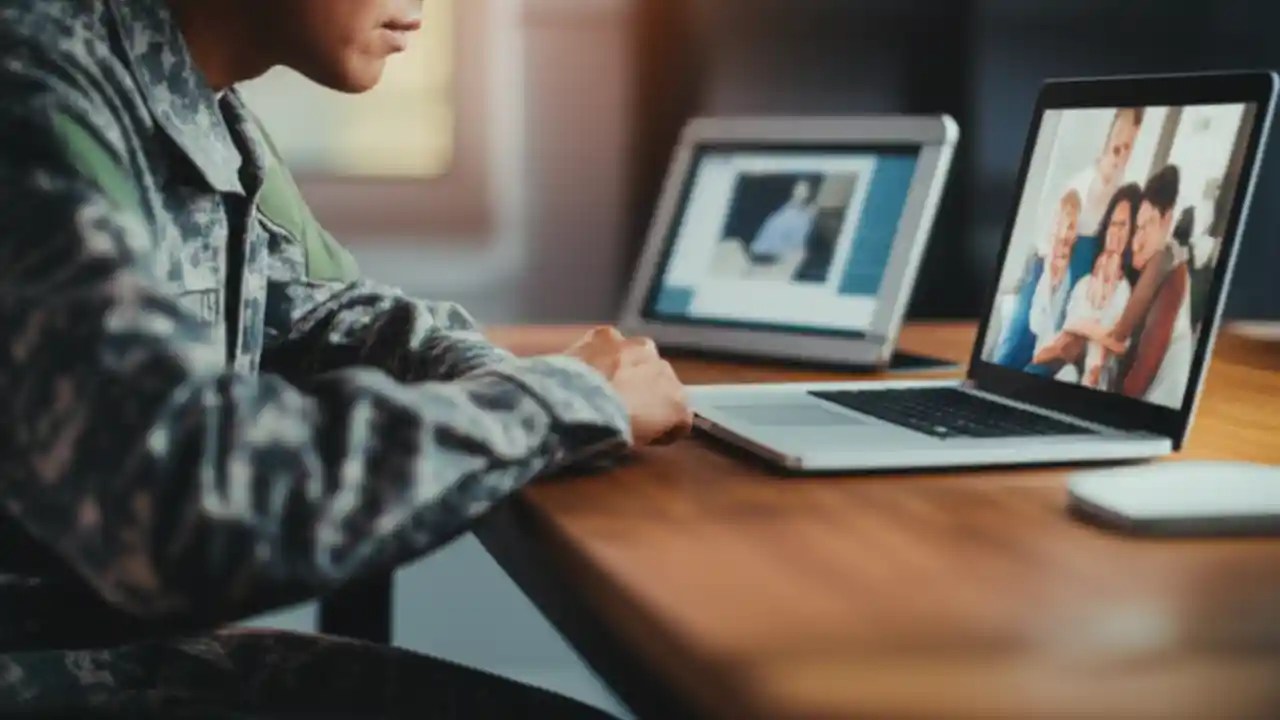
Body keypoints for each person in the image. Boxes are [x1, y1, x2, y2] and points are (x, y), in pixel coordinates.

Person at [0, 0, 693, 717]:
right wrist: (561, 402)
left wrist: (509, 378)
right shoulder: (32, 85)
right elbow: (184, 504)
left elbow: (328, 312)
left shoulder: (194, 101)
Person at [1030, 182, 1142, 376]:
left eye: (1122, 225)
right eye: (1111, 225)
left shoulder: (1127, 291)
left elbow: (1119, 344)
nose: (1114, 233)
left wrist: (1081, 328)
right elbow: (1061, 343)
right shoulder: (1083, 284)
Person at [1046, 251, 1131, 388]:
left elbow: (1120, 345)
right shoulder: (1084, 285)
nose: (1101, 280)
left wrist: (1087, 329)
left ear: (1119, 278)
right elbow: (1070, 328)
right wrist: (1096, 332)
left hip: (1103, 371)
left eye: (1108, 278)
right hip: (1073, 358)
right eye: (1098, 273)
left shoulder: (1122, 292)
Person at [1027, 189, 1082, 358]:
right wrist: (1050, 279)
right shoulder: (1041, 267)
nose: (1064, 234)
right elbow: (1035, 324)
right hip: (1042, 349)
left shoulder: (1075, 275)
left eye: (1071, 227)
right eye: (1060, 225)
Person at [748, 179, 818, 264]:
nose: (798, 192)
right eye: (797, 188)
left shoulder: (803, 217)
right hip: (762, 251)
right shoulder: (786, 208)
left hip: (772, 256)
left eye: (803, 190)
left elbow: (797, 245)